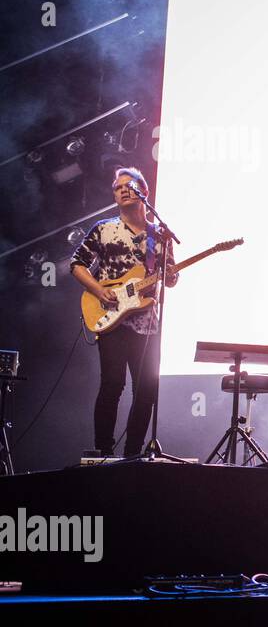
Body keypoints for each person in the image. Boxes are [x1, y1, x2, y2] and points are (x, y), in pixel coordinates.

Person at [71, 168, 177, 456]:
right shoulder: (104, 229)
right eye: (118, 188)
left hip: (147, 322)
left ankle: (133, 453)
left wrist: (170, 275)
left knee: (146, 390)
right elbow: (76, 264)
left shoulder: (160, 235)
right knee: (113, 384)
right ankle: (103, 449)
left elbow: (170, 278)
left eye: (129, 185)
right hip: (112, 317)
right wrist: (97, 289)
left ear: (144, 191)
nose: (123, 190)